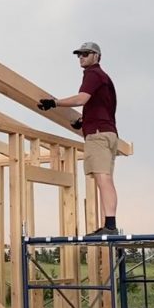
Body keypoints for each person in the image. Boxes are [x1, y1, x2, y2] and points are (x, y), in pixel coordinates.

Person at [38, 42, 119, 235]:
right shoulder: (103, 78)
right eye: (79, 55)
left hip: (98, 135)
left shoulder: (93, 74)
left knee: (103, 178)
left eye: (86, 54)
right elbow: (101, 106)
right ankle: (110, 225)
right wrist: (83, 121)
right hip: (107, 132)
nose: (81, 57)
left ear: (96, 56)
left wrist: (54, 103)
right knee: (104, 178)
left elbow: (81, 99)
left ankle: (110, 227)